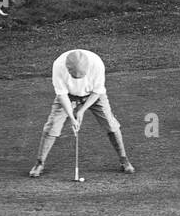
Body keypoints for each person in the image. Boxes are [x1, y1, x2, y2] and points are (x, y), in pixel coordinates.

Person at [28, 48, 135, 177]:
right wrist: (72, 118)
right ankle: (39, 163)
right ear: (68, 69)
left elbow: (97, 91)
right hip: (68, 96)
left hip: (93, 95)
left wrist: (81, 111)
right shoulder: (58, 65)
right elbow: (61, 95)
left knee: (111, 124)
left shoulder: (97, 64)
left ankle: (124, 160)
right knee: (52, 126)